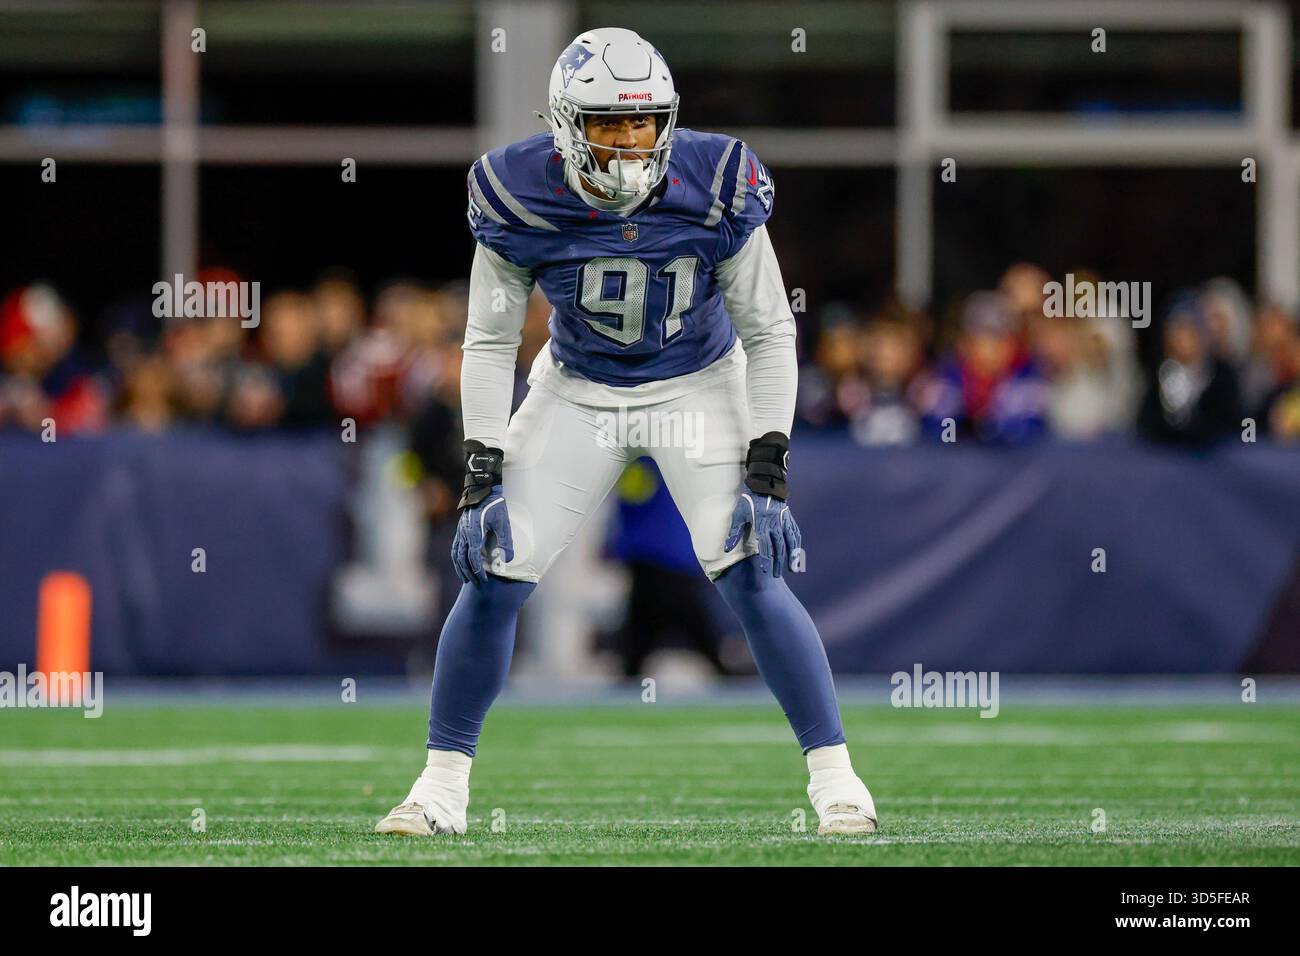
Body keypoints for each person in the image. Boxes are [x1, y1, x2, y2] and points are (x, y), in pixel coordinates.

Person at [376, 27, 876, 838]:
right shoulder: (517, 189)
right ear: (568, 124)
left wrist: (769, 465)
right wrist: (482, 469)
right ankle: (439, 790)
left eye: (644, 122)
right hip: (578, 388)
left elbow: (771, 333)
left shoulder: (718, 181)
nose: (631, 140)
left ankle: (838, 783)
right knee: (495, 570)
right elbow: (491, 341)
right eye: (610, 123)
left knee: (750, 567)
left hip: (700, 383)